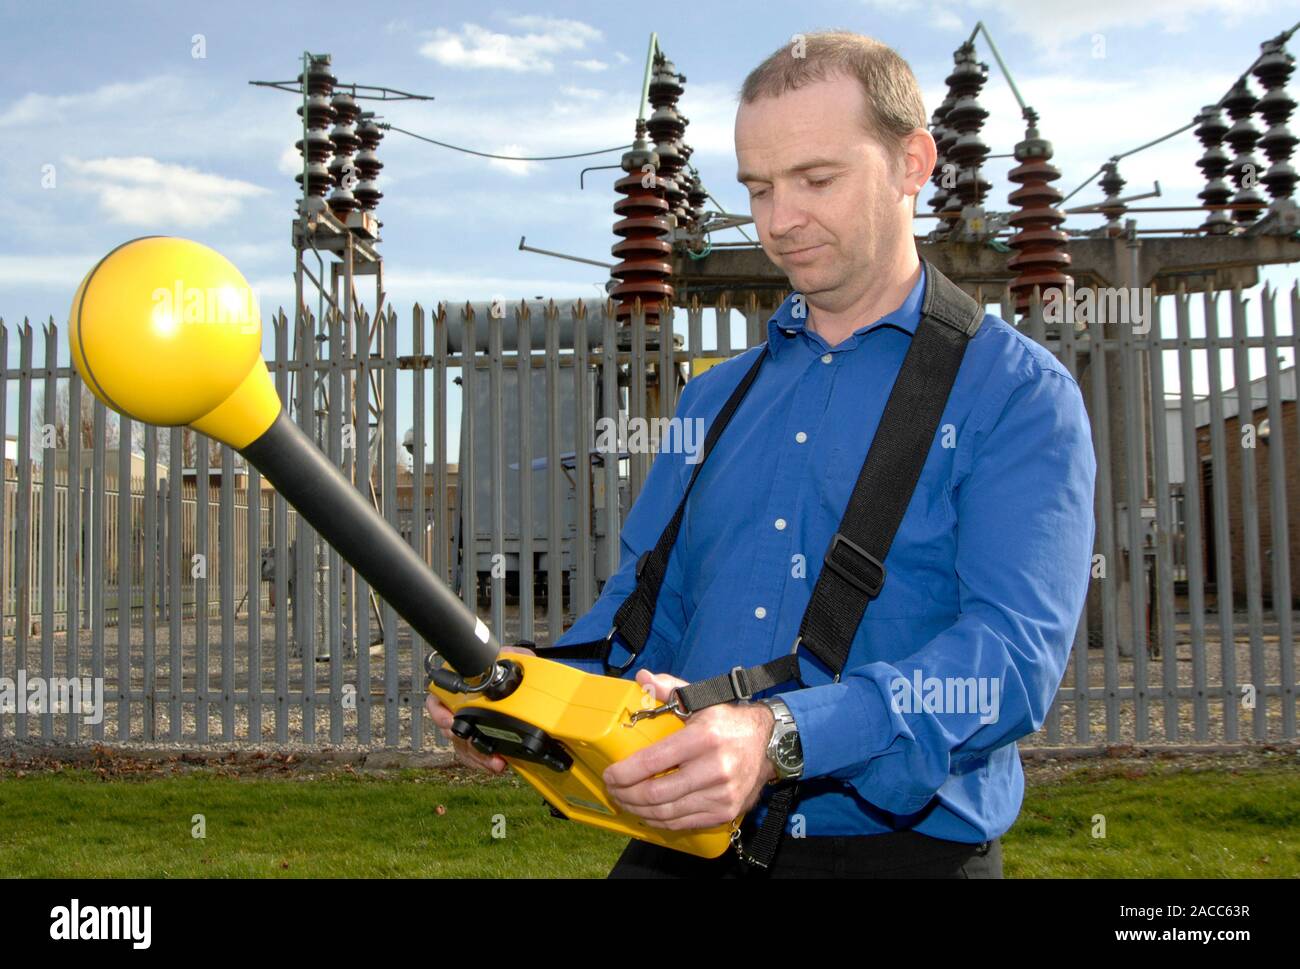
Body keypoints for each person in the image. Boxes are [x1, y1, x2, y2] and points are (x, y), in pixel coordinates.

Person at [427, 30, 1096, 878]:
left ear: (913, 163)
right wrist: (526, 690)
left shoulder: (1016, 394)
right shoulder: (713, 399)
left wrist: (780, 735)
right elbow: (641, 615)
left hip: (900, 854)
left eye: (816, 180)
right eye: (759, 188)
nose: (779, 221)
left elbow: (1009, 660)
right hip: (682, 843)